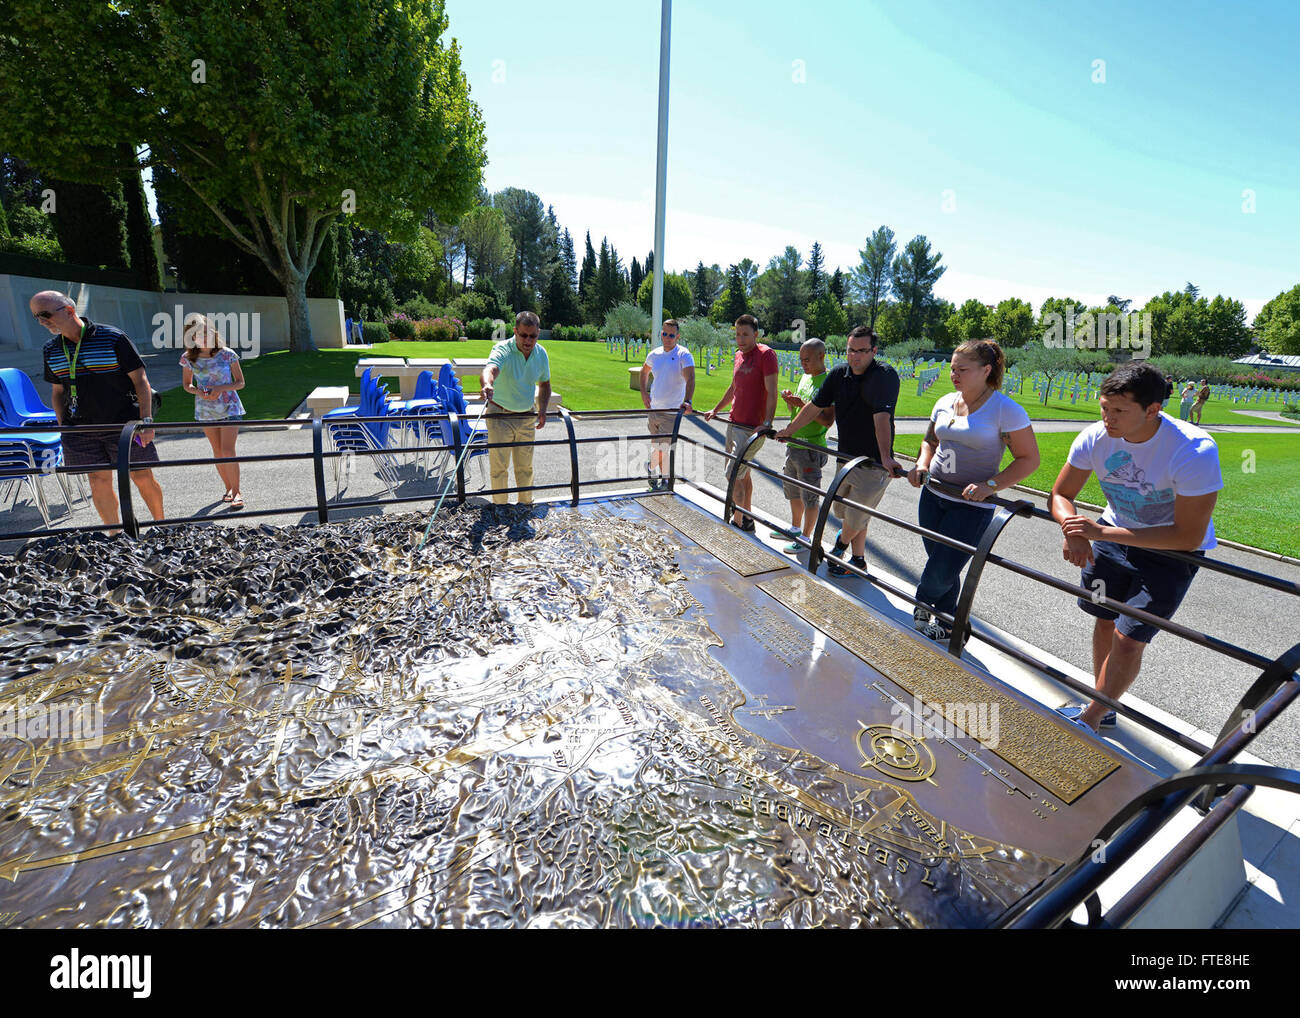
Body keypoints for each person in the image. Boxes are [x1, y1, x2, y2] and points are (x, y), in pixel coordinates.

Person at [1050, 360, 1222, 732]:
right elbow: (1061, 494)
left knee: (1129, 639)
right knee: (1104, 619)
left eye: (1119, 411)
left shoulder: (1194, 450)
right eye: (1104, 408)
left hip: (1170, 554)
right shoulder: (1095, 437)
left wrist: (1099, 533)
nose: (1107, 419)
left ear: (1152, 410)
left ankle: (1090, 719)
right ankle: (1103, 705)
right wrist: (1072, 528)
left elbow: (1188, 536)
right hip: (1110, 540)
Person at [906, 340, 1039, 641]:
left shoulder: (1006, 410)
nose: (954, 375)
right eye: (953, 369)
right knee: (943, 565)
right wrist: (922, 464)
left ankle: (923, 603)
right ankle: (952, 626)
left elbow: (1029, 459)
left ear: (986, 370)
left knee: (940, 572)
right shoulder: (944, 401)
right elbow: (930, 441)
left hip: (972, 506)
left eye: (962, 370)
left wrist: (990, 486)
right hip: (934, 496)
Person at [33, 290, 163, 531]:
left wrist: (146, 421)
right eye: (36, 317)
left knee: (141, 476)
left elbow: (140, 381)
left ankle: (161, 527)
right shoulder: (51, 349)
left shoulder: (112, 337)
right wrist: (64, 427)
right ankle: (115, 535)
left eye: (45, 314)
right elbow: (58, 392)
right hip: (80, 429)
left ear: (69, 310)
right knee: (97, 480)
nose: (41, 321)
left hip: (124, 425)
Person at [776, 325, 900, 576]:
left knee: (856, 516)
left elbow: (881, 417)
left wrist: (886, 457)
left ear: (874, 351)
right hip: (845, 458)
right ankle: (858, 560)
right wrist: (790, 430)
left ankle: (839, 547)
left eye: (862, 351)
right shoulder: (838, 374)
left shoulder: (884, 375)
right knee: (848, 513)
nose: (855, 356)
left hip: (873, 463)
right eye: (851, 350)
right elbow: (813, 407)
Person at [704, 315, 778, 531]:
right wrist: (716, 409)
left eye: (745, 334)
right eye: (737, 334)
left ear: (756, 334)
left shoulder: (766, 355)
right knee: (743, 476)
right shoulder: (738, 355)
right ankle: (747, 517)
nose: (741, 339)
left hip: (751, 429)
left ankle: (737, 521)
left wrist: (767, 423)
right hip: (734, 423)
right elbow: (733, 387)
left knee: (733, 474)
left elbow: (772, 391)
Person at [481, 311, 551, 505]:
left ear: (538, 333)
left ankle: (525, 505)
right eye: (523, 335)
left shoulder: (541, 354)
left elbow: (545, 383)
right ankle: (500, 507)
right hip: (499, 415)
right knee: (499, 468)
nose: (528, 340)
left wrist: (542, 410)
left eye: (533, 336)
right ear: (515, 331)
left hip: (526, 416)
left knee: (525, 468)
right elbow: (491, 369)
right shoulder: (502, 349)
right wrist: (487, 384)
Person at [180, 314, 247, 509]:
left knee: (227, 450)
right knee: (217, 452)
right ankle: (228, 488)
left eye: (206, 332)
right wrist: (198, 391)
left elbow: (240, 383)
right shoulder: (187, 358)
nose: (203, 337)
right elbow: (187, 385)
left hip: (229, 406)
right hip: (206, 410)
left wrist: (219, 389)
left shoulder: (227, 354)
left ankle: (237, 492)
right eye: (197, 335)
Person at [774, 338, 834, 554]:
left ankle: (806, 539)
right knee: (792, 491)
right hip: (794, 444)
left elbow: (827, 421)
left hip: (811, 448)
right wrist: (791, 402)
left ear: (821, 356)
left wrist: (803, 405)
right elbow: (799, 411)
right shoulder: (805, 377)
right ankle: (795, 528)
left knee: (810, 496)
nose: (803, 364)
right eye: (801, 360)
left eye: (807, 360)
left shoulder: (828, 382)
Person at [639, 319, 695, 489]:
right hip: (654, 410)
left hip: (671, 412)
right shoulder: (654, 354)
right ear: (661, 334)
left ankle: (652, 469)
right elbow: (644, 372)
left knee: (663, 448)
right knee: (659, 447)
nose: (667, 338)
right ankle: (662, 479)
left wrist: (688, 401)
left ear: (678, 336)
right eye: (664, 334)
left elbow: (691, 378)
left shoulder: (683, 355)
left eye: (671, 335)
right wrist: (644, 393)